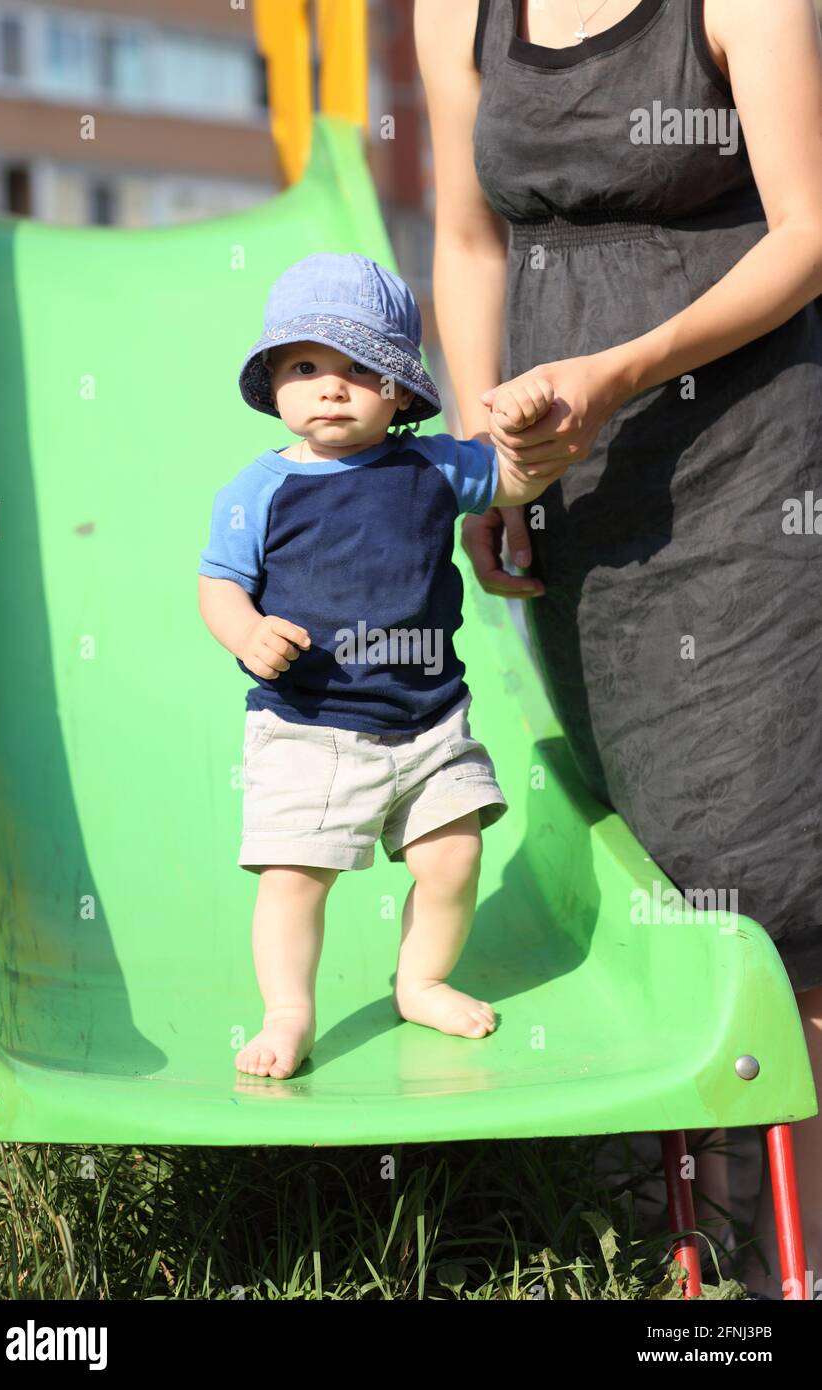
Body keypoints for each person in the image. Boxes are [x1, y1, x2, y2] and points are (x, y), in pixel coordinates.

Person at [415, 0, 822, 1298]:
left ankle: (792, 1261)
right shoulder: (453, 9)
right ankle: (688, 1251)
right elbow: (466, 239)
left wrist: (620, 369)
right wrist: (483, 464)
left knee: (770, 862)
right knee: (650, 841)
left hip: (743, 471)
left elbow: (808, 231)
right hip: (572, 485)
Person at [197, 252, 555, 1081]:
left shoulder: (434, 465)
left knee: (453, 857)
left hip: (431, 723)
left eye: (361, 370)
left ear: (400, 392)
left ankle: (420, 980)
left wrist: (524, 421)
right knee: (295, 877)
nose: (332, 387)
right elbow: (219, 584)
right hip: (309, 726)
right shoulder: (259, 490)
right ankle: (288, 1010)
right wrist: (246, 634)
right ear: (273, 384)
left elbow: (516, 476)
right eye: (305, 367)